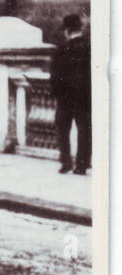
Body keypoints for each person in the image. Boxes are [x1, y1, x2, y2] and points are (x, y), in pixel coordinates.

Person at [50, 14, 91, 174]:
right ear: (81, 28)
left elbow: (55, 76)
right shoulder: (89, 47)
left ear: (67, 31)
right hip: (85, 97)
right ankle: (82, 165)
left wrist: (56, 94)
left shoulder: (62, 50)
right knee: (85, 130)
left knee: (62, 129)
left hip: (65, 97)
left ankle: (65, 162)